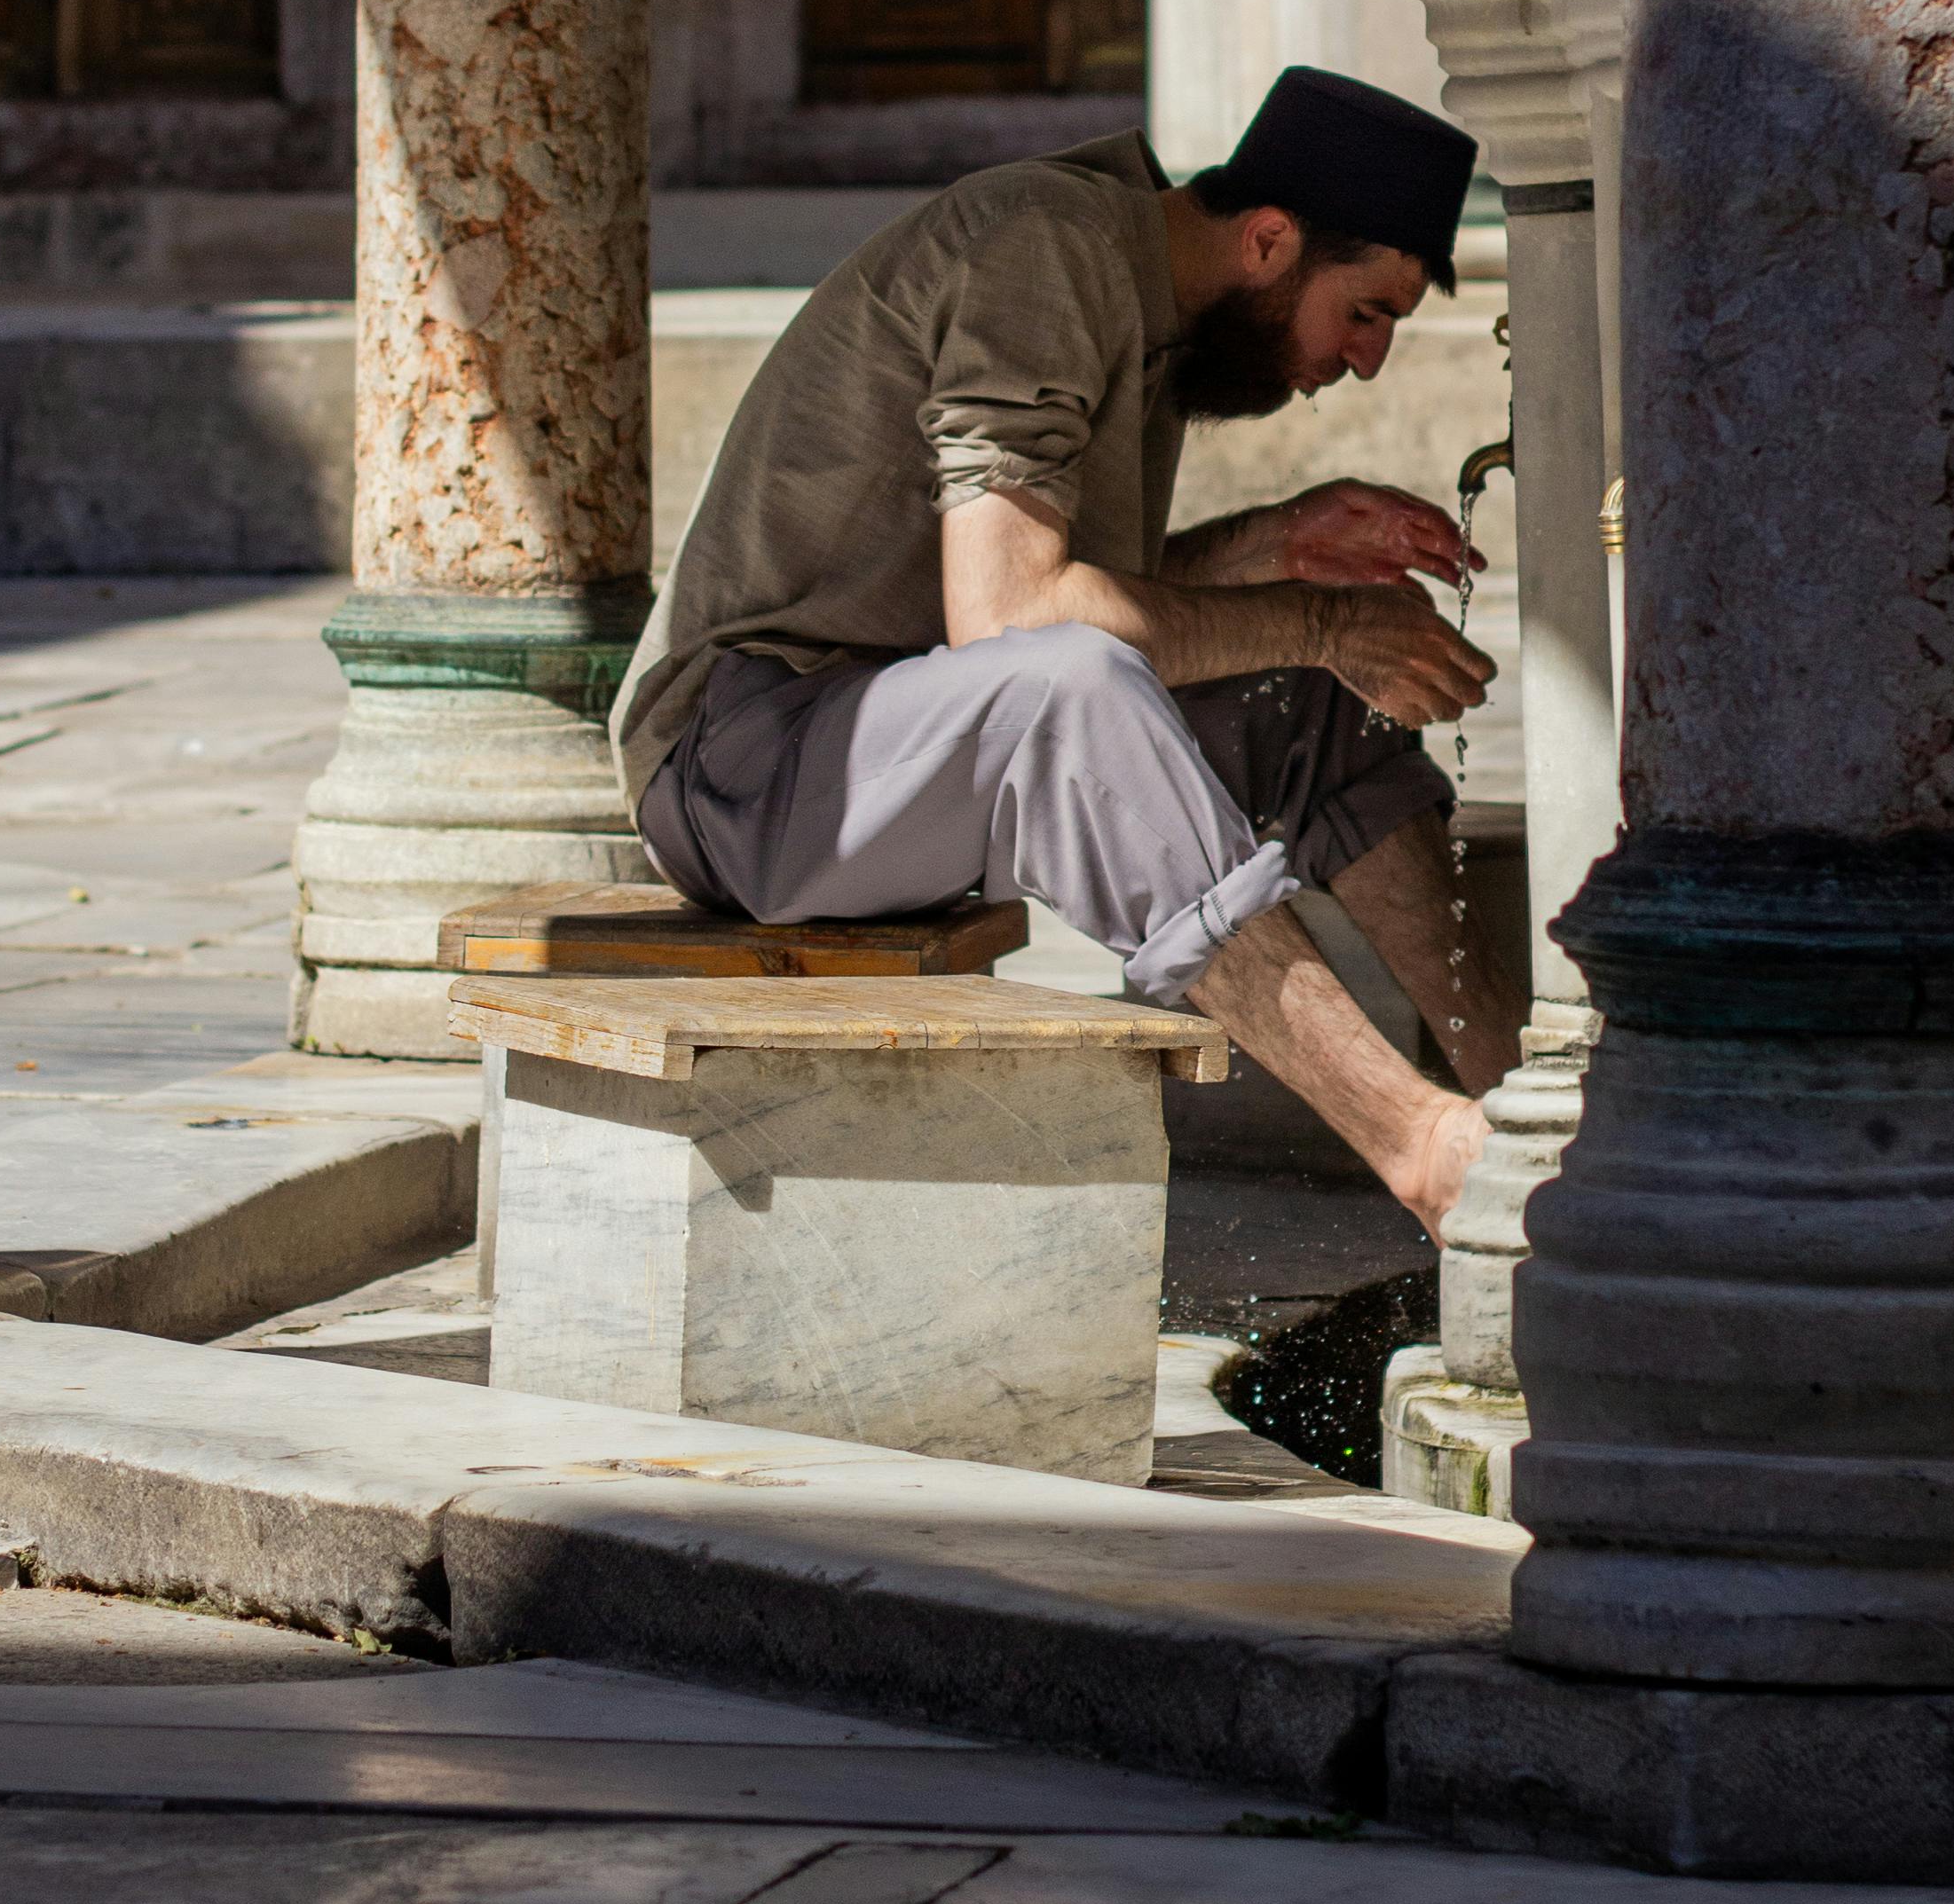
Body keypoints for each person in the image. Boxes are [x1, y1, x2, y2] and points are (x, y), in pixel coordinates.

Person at [618, 67, 1517, 1231]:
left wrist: (1283, 543)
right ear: (1271, 240)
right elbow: (1015, 624)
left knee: (1309, 697)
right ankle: (1422, 1145)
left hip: (889, 726)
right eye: (1368, 312)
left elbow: (1067, 604)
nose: (1368, 362)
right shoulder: (1044, 251)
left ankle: (1530, 1109)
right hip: (741, 763)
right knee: (1084, 688)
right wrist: (1324, 619)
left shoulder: (1148, 304)